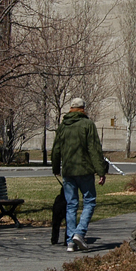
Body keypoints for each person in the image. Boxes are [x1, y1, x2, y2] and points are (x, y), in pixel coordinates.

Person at [52, 97, 108, 252]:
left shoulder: (63, 126)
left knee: (71, 205)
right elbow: (94, 149)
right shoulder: (87, 125)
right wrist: (101, 171)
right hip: (84, 170)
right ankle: (79, 232)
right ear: (83, 108)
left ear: (71, 108)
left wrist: (56, 167)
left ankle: (70, 241)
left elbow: (56, 148)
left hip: (68, 171)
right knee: (89, 201)